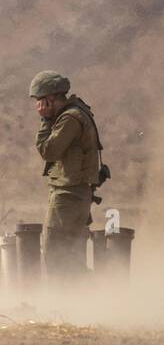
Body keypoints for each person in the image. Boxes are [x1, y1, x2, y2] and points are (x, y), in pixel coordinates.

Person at [30, 71, 105, 279]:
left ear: (50, 98)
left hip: (68, 195)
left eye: (40, 102)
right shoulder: (76, 112)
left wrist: (45, 120)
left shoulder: (70, 118)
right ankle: (81, 299)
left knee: (55, 251)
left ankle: (64, 302)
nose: (38, 107)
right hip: (76, 193)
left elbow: (49, 151)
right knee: (71, 253)